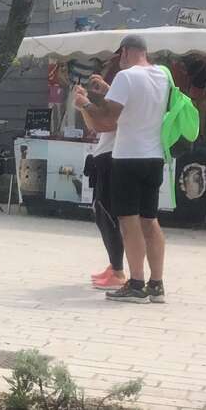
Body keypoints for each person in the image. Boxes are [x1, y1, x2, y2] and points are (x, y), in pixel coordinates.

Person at [75, 34, 168, 304]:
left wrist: (84, 104)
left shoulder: (127, 77)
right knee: (150, 221)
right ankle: (157, 284)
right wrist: (107, 92)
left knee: (129, 222)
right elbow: (136, 107)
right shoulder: (162, 75)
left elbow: (106, 119)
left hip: (128, 157)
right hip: (154, 156)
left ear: (126, 51)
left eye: (120, 55)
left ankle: (136, 284)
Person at [77, 55, 125, 290]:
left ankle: (118, 270)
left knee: (107, 215)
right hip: (106, 157)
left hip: (111, 159)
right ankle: (114, 265)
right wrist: (87, 102)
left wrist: (84, 104)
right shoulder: (117, 99)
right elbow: (100, 119)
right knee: (101, 213)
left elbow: (101, 123)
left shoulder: (123, 101)